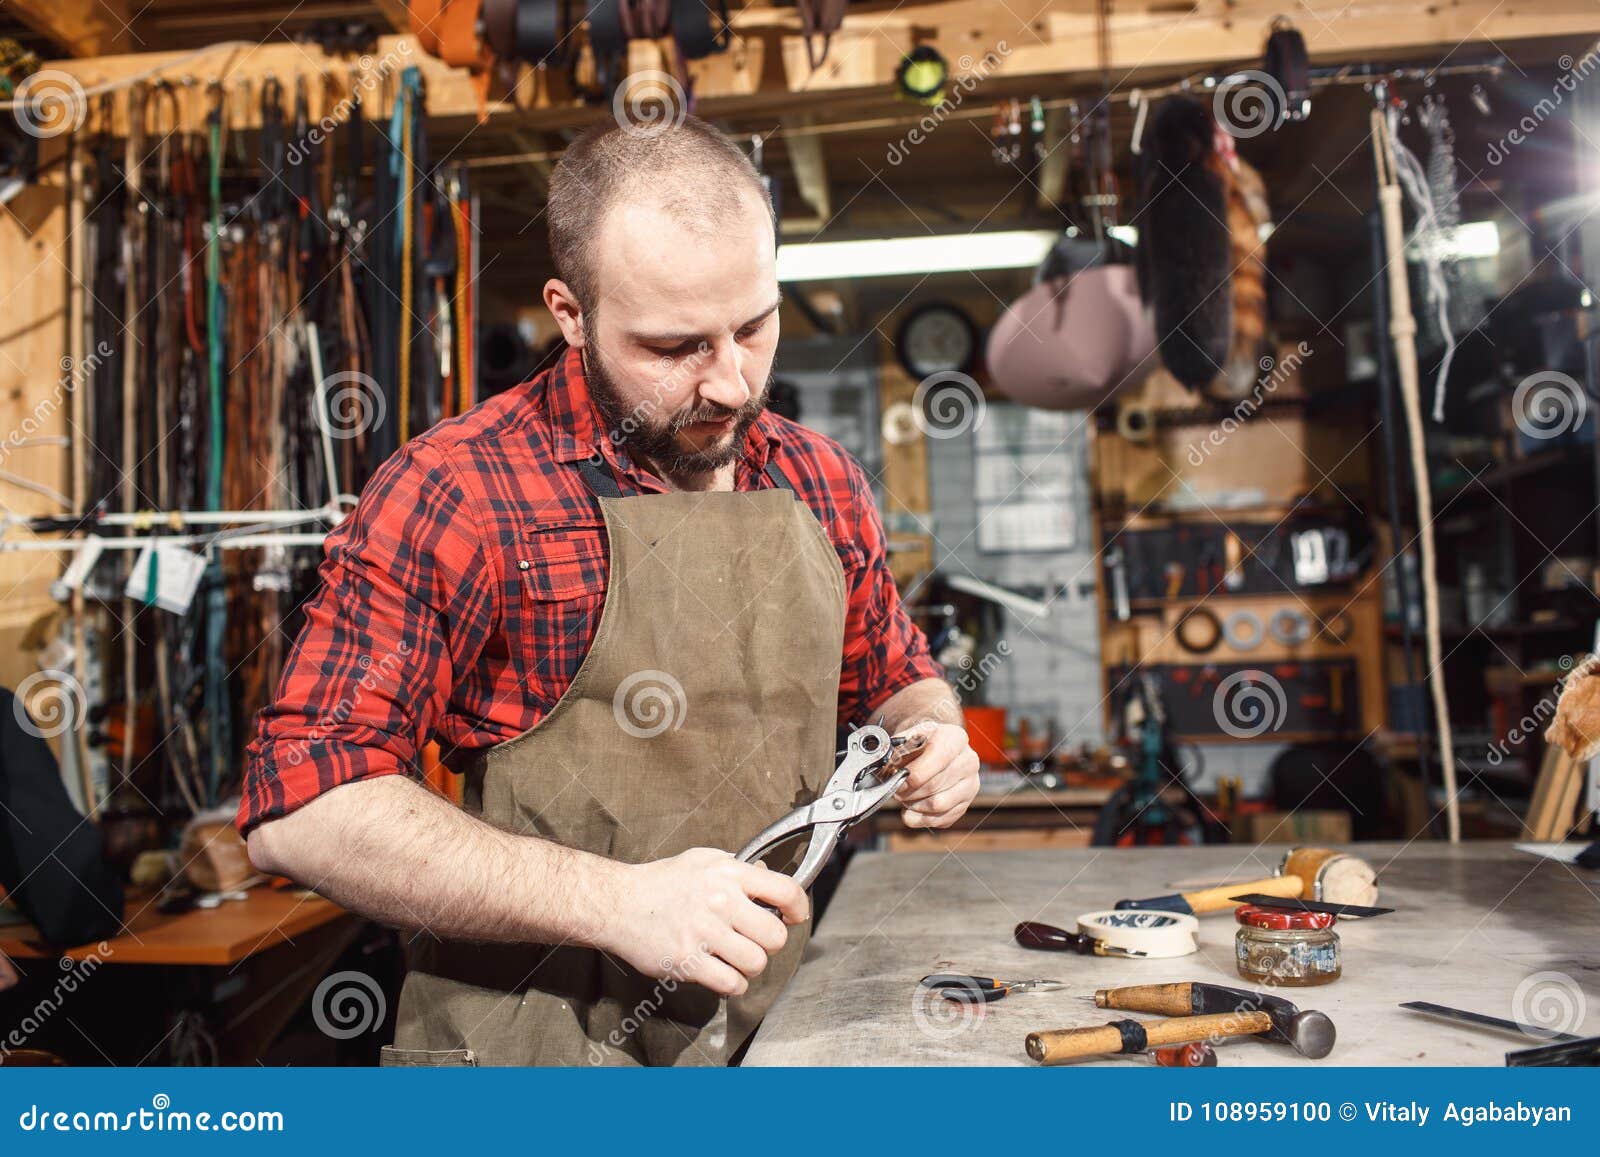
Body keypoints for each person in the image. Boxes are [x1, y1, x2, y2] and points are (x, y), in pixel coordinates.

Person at [240, 116, 980, 1066]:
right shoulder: (462, 491)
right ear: (572, 313)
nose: (729, 383)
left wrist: (936, 732)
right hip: (530, 1055)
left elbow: (896, 678)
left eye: (752, 326)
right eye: (674, 347)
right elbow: (304, 804)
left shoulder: (820, 479)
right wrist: (616, 901)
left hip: (776, 1035)